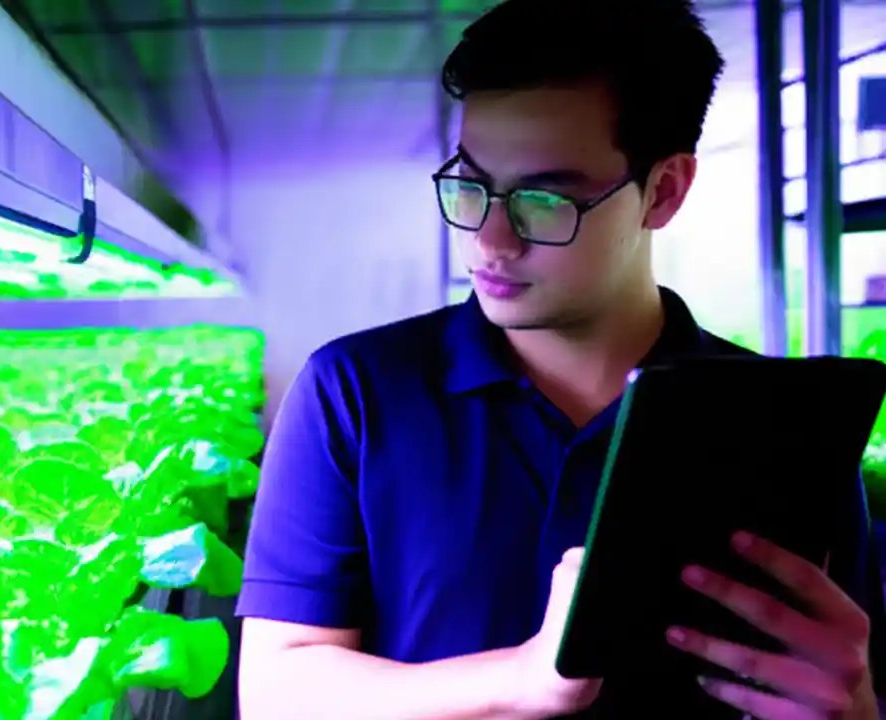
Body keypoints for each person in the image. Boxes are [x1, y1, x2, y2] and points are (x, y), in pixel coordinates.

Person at [235, 0, 886, 718]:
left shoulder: (779, 425)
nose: (490, 240)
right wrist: (524, 679)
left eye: (543, 199)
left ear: (663, 191)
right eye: (471, 185)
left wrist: (855, 707)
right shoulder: (354, 393)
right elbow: (276, 692)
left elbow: (842, 678)